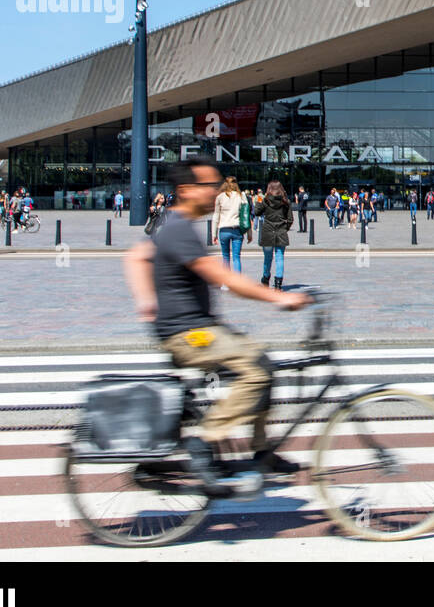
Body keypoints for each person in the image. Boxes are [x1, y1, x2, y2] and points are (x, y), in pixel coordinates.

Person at [124, 159, 310, 493]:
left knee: (262, 363)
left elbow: (135, 256)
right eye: (208, 186)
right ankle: (205, 439)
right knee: (255, 370)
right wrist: (279, 298)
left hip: (197, 329)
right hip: (190, 335)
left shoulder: (175, 225)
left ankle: (262, 452)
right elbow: (226, 279)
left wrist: (146, 303)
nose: (215, 192)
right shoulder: (180, 229)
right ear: (185, 191)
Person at [257, 180, 292, 290]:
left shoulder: (266, 201)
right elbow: (290, 219)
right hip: (281, 231)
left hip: (268, 231)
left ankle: (265, 278)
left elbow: (256, 212)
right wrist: (285, 228)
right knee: (279, 258)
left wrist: (258, 202)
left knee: (267, 258)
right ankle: (278, 284)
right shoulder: (286, 201)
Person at [212, 177, 247, 283]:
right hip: (237, 229)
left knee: (225, 257)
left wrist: (214, 234)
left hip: (224, 229)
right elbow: (246, 215)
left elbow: (216, 216)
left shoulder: (220, 197)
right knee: (236, 257)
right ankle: (238, 283)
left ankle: (226, 283)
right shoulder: (241, 196)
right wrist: (249, 233)